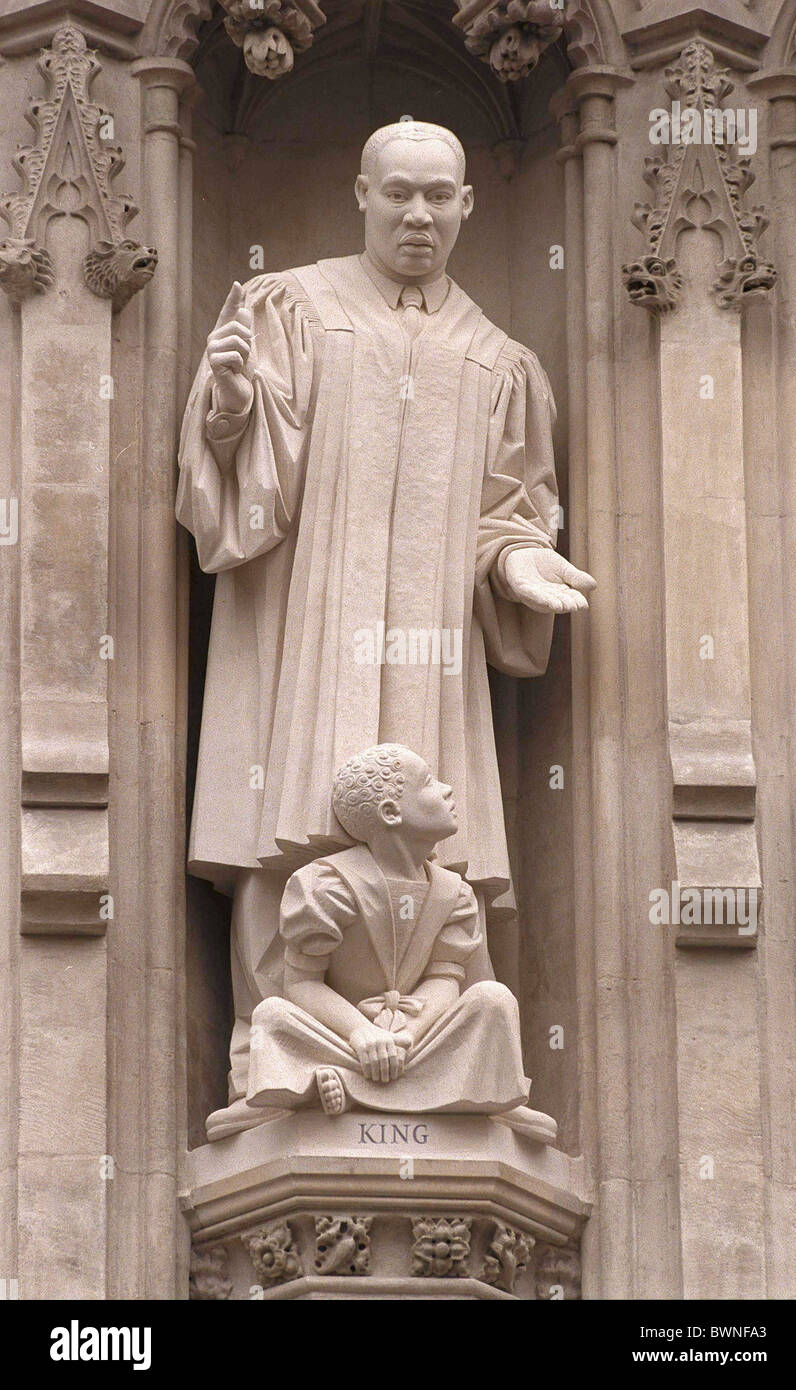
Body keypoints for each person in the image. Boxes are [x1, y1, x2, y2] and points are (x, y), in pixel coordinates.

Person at [176, 117, 595, 1139]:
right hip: (307, 633)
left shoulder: (500, 362)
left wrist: (517, 557)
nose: (418, 213)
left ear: (468, 205)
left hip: (430, 655)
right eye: (398, 192)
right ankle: (268, 1053)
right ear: (360, 194)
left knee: (433, 839)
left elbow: (510, 504)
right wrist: (228, 406)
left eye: (438, 195)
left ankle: (456, 1067)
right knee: (293, 821)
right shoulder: (291, 309)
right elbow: (234, 498)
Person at [247, 744, 557, 1142]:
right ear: (391, 813)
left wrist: (407, 1035)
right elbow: (302, 983)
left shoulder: (455, 894)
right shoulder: (326, 885)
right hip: (347, 1034)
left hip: (416, 1036)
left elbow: (446, 977)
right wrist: (362, 1034)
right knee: (272, 1017)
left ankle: (349, 1085)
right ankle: (457, 1092)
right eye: (429, 783)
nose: (447, 790)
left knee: (493, 1000)